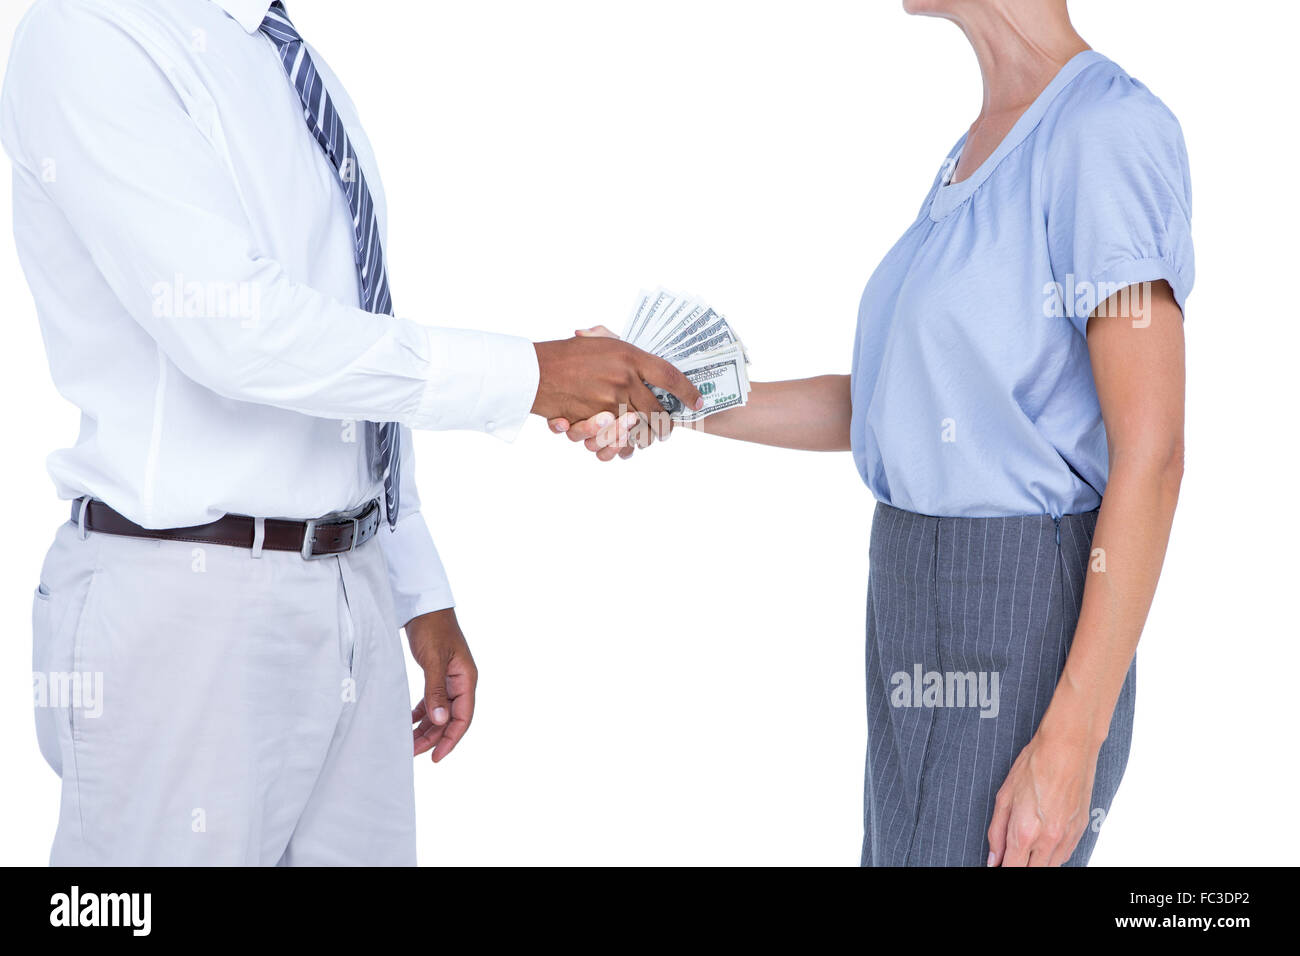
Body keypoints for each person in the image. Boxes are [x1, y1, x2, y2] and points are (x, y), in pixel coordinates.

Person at [3, 0, 700, 866]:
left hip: (348, 591)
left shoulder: (282, 54)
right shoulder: (94, 29)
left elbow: (348, 327)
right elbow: (237, 331)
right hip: (185, 617)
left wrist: (411, 579)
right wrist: (529, 374)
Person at [554, 0, 1191, 866]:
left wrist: (1074, 738)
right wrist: (672, 398)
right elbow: (895, 403)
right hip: (910, 596)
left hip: (1009, 606)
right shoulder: (978, 146)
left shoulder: (1107, 131)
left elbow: (1151, 457)